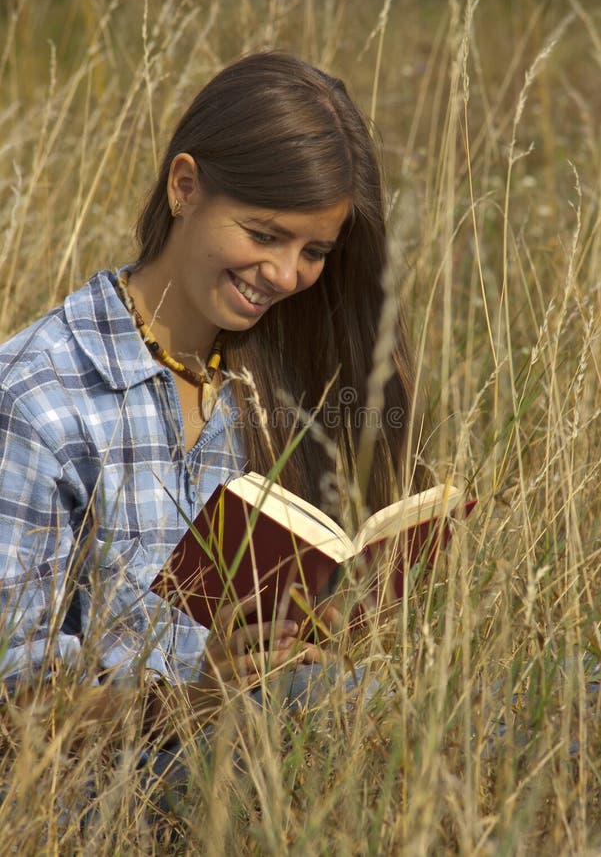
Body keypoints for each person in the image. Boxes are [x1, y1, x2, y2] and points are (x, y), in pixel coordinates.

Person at [0, 52, 415, 742]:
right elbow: (14, 703)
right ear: (185, 188)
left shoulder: (275, 377)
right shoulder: (36, 398)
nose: (285, 274)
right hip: (118, 793)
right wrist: (197, 699)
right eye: (264, 235)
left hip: (282, 742)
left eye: (314, 251)